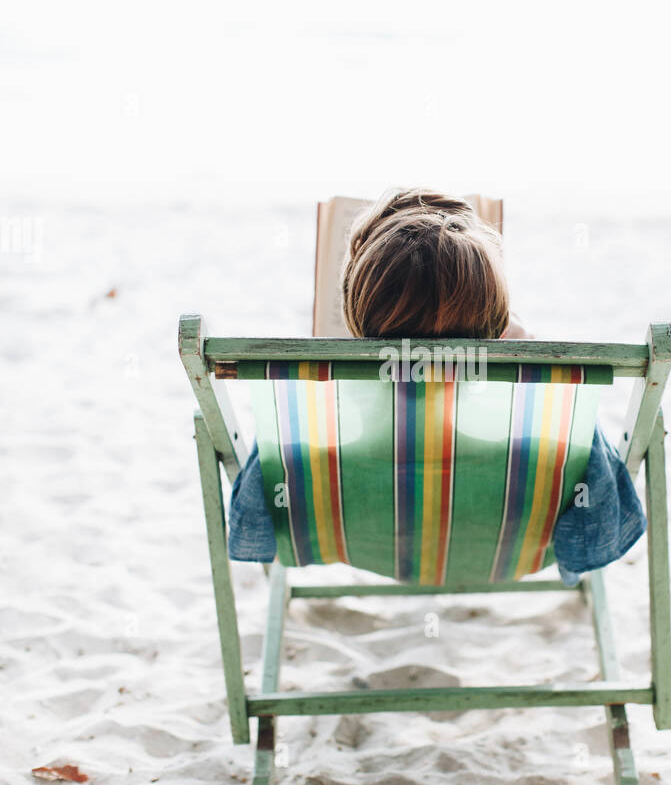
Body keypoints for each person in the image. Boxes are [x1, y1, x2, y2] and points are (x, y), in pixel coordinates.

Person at [228, 188, 646, 582]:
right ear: (497, 330)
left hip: (363, 545)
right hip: (506, 552)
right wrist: (523, 342)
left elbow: (257, 518)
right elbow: (595, 524)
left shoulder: (304, 454)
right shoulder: (550, 445)